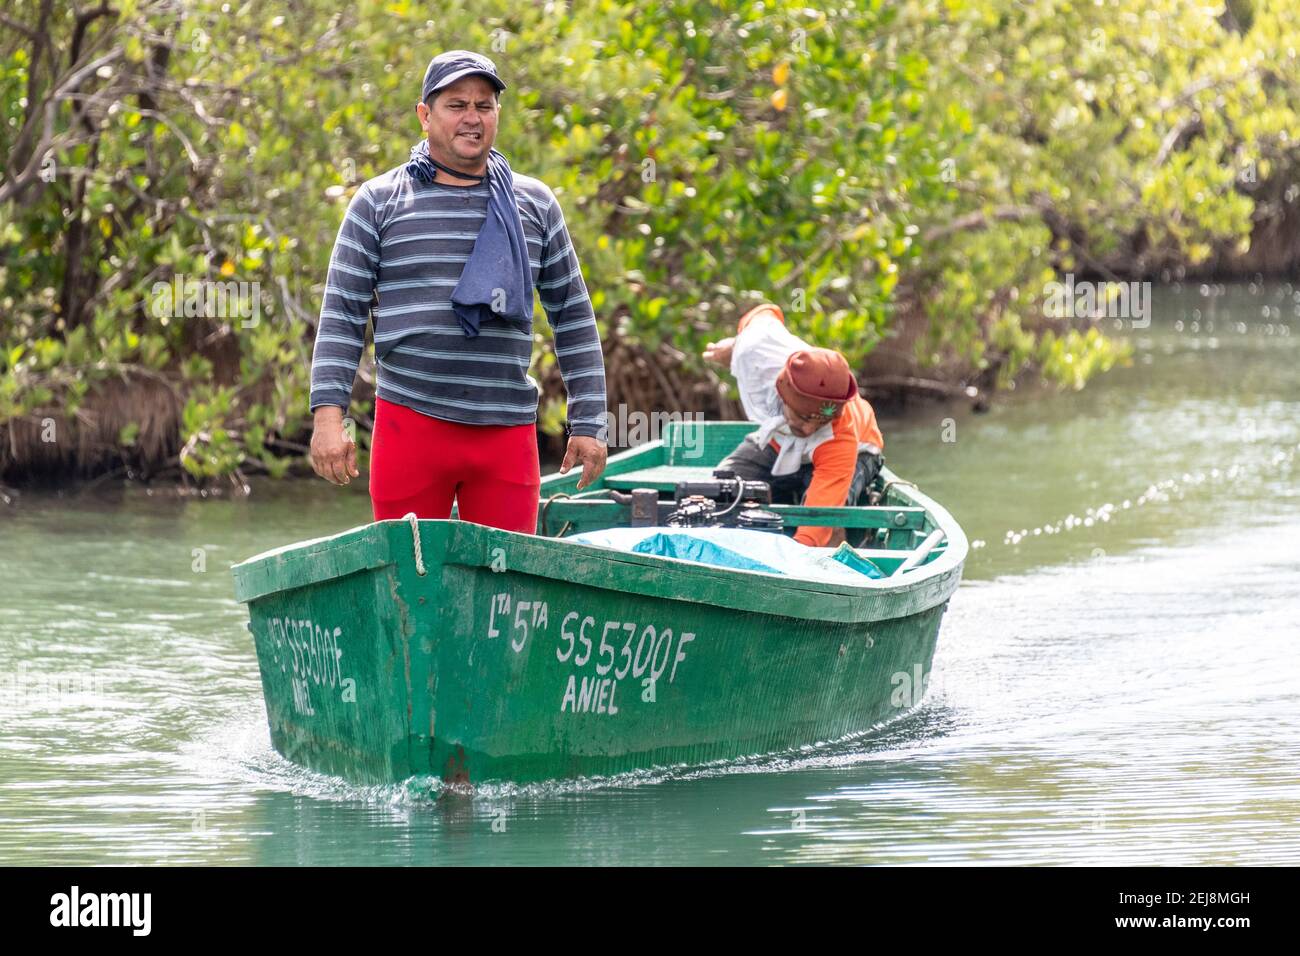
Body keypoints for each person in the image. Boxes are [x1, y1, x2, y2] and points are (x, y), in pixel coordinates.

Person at [308, 50, 607, 532]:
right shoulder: (379, 202)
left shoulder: (534, 203)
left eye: (484, 106)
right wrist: (328, 421)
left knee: (505, 585)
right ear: (425, 115)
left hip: (505, 431)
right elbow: (343, 316)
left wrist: (590, 422)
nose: (472, 118)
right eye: (457, 104)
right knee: (411, 579)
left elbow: (572, 316)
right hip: (410, 425)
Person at [702, 303, 884, 548]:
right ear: (782, 392)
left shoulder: (840, 433)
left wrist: (795, 562)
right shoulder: (756, 349)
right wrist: (733, 348)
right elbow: (767, 312)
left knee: (831, 524)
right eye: (803, 417)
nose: (809, 430)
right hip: (780, 440)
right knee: (719, 491)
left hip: (860, 448)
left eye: (819, 422)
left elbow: (814, 529)